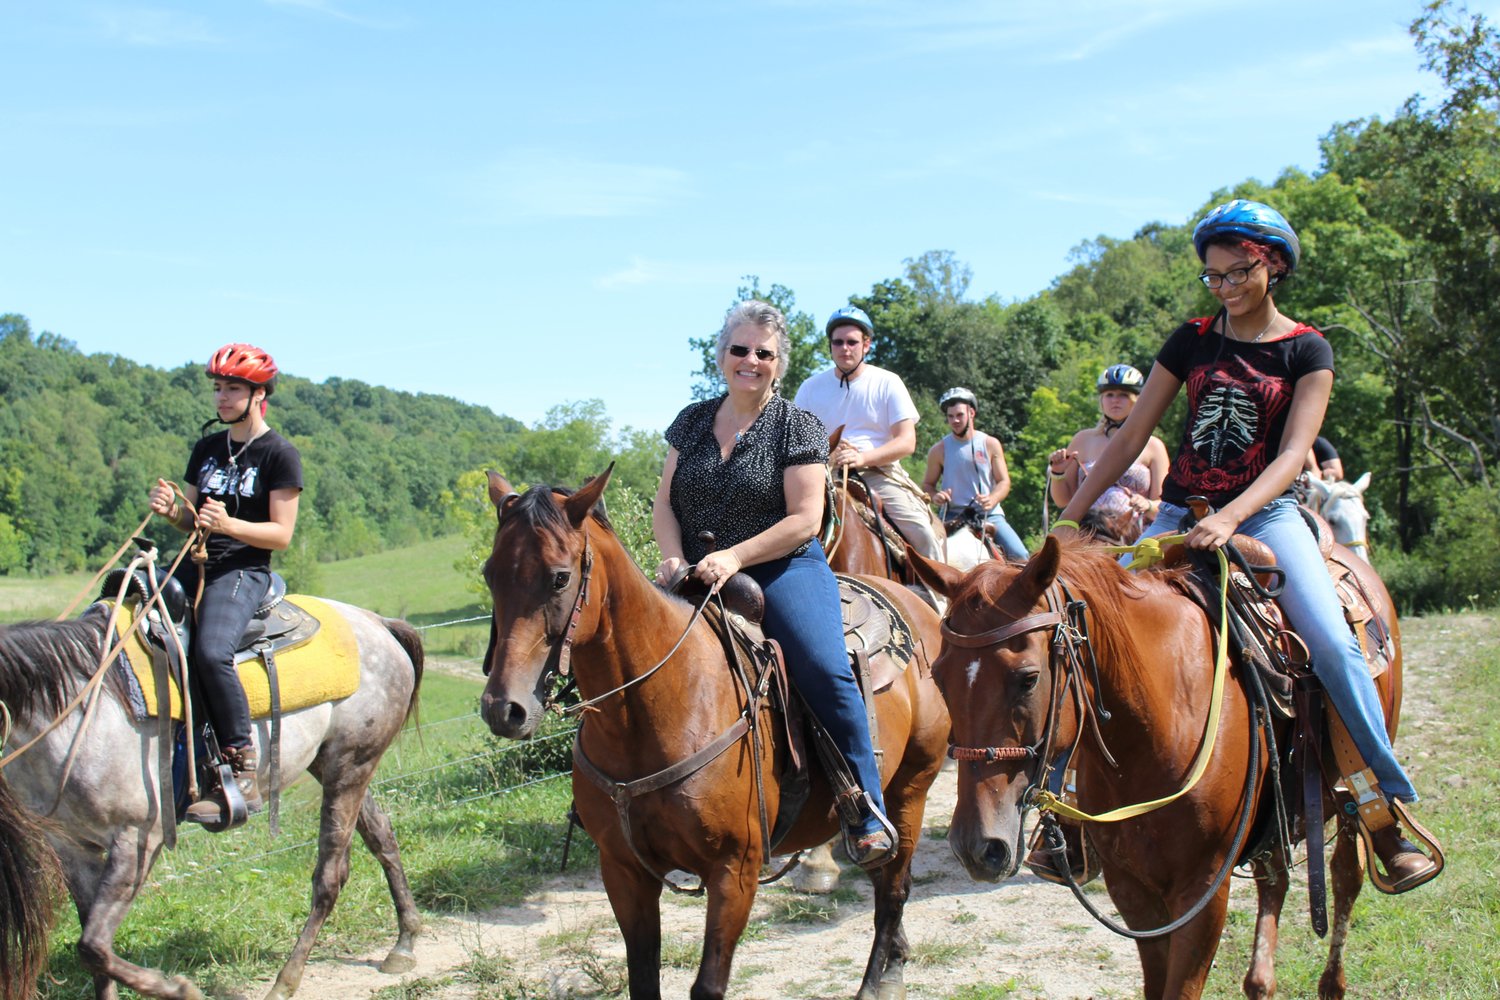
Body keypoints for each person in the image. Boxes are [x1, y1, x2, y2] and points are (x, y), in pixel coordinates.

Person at [1053, 199, 1438, 892]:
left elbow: (1294, 456)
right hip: (1177, 510)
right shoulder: (1192, 339)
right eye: (1212, 275)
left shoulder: (1307, 349)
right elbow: (1133, 437)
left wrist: (1232, 519)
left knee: (1331, 641)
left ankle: (1383, 810)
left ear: (1275, 266)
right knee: (1079, 622)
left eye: (1238, 271)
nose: (1224, 285)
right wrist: (1069, 520)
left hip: (1266, 516)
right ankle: (1067, 817)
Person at [653, 300, 897, 869]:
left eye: (764, 353)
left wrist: (734, 557)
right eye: (740, 349)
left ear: (779, 364)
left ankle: (864, 805)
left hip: (781, 566)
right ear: (722, 356)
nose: (751, 360)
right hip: (695, 570)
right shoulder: (690, 421)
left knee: (823, 666)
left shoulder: (796, 425)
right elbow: (665, 501)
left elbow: (803, 520)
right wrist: (670, 557)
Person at [148, 343, 303, 826]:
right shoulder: (208, 449)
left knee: (212, 651)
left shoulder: (280, 455)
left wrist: (230, 525)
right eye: (218, 388)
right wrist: (172, 509)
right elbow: (190, 519)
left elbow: (281, 534)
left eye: (232, 388)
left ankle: (241, 764)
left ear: (260, 395)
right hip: (193, 563)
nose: (221, 397)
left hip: (243, 570)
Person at [793, 305, 945, 567]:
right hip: (823, 474)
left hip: (879, 473)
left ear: (867, 345)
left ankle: (940, 603)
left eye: (852, 342)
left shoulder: (887, 382)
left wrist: (861, 458)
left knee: (923, 534)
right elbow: (796, 443)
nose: (845, 348)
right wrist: (829, 456)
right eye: (837, 342)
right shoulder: (810, 388)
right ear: (830, 346)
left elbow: (907, 441)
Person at [1047, 364, 1170, 541]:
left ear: (1137, 400)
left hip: (1134, 537)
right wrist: (1058, 472)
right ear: (1101, 400)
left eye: (1123, 395)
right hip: (1086, 535)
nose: (1115, 400)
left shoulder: (1153, 446)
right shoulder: (1082, 439)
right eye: (1109, 395)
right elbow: (1063, 501)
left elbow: (1164, 507)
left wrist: (1148, 504)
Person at [920, 387, 1028, 560]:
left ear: (971, 413)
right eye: (950, 416)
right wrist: (936, 496)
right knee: (925, 557)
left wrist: (992, 499)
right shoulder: (938, 450)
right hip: (952, 515)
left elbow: (1003, 481)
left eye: (959, 415)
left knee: (1020, 555)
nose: (954, 420)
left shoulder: (990, 444)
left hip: (990, 514)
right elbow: (927, 485)